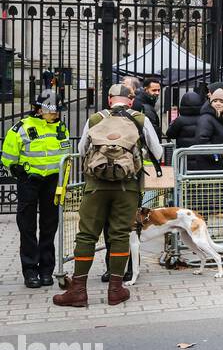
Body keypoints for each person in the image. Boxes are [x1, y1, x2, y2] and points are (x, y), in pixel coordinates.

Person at [53, 84, 165, 308]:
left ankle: (78, 291)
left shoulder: (96, 119)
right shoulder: (140, 119)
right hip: (128, 187)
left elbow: (83, 149)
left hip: (96, 186)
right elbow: (158, 151)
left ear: (109, 99)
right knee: (120, 235)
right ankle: (116, 290)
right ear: (130, 101)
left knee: (86, 236)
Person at [3, 89, 73, 288]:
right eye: (52, 111)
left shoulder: (61, 128)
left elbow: (65, 155)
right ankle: (30, 271)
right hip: (29, 181)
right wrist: (15, 169)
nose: (56, 114)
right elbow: (8, 156)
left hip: (52, 181)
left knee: (49, 226)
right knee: (27, 226)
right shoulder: (22, 128)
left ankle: (46, 270)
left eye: (57, 111)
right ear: (39, 110)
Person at [194, 87, 223, 170]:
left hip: (219, 166)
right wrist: (220, 152)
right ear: (211, 103)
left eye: (222, 101)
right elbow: (202, 142)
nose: (218, 103)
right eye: (215, 101)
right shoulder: (206, 118)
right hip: (211, 168)